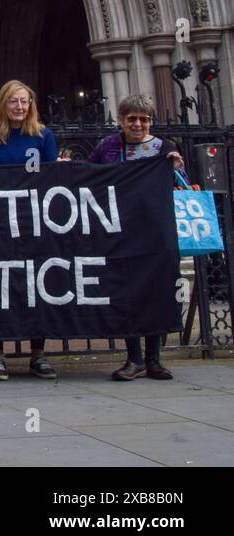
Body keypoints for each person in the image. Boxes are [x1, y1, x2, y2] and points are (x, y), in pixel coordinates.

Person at [0, 79, 60, 381]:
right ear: (2, 104)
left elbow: (52, 177)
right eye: (13, 101)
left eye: (24, 101)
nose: (19, 106)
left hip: (33, 222)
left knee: (36, 285)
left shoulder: (42, 136)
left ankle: (38, 354)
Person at [87, 93, 183, 382]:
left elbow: (179, 182)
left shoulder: (164, 147)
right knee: (127, 292)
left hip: (155, 230)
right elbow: (89, 175)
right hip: (121, 231)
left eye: (144, 119)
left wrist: (175, 168)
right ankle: (134, 359)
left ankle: (154, 359)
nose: (138, 124)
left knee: (155, 291)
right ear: (121, 120)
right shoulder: (108, 146)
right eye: (132, 119)